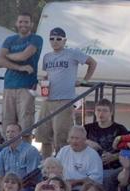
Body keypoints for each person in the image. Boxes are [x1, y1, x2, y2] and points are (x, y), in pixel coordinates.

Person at [35, 27, 94, 156]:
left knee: (61, 138)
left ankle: (61, 166)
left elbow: (92, 62)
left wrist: (85, 80)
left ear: (64, 40)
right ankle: (46, 164)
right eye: (52, 38)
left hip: (64, 100)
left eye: (58, 39)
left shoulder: (72, 53)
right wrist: (43, 81)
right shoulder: (47, 57)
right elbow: (48, 74)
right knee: (43, 136)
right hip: (47, 99)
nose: (55, 41)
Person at [0, 11, 41, 136]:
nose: (23, 24)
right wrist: (19, 68)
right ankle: (7, 152)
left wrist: (7, 55)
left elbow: (24, 56)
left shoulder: (36, 39)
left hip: (27, 86)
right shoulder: (10, 39)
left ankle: (25, 152)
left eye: (26, 22)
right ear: (16, 23)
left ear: (31, 24)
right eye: (21, 21)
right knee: (7, 122)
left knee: (25, 122)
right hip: (9, 85)